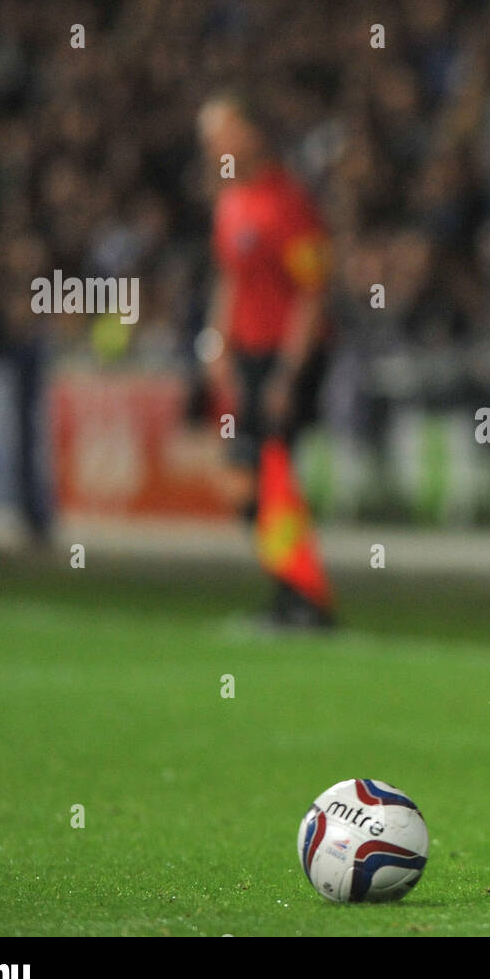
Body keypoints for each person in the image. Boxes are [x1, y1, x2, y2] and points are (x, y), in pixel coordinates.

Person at [197, 93, 336, 629]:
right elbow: (230, 280)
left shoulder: (286, 203)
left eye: (221, 132)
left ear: (250, 135)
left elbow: (311, 291)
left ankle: (302, 600)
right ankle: (291, 593)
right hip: (247, 358)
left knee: (267, 474)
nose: (213, 145)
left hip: (286, 357)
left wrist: (286, 372)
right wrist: (216, 343)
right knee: (246, 479)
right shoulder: (231, 203)